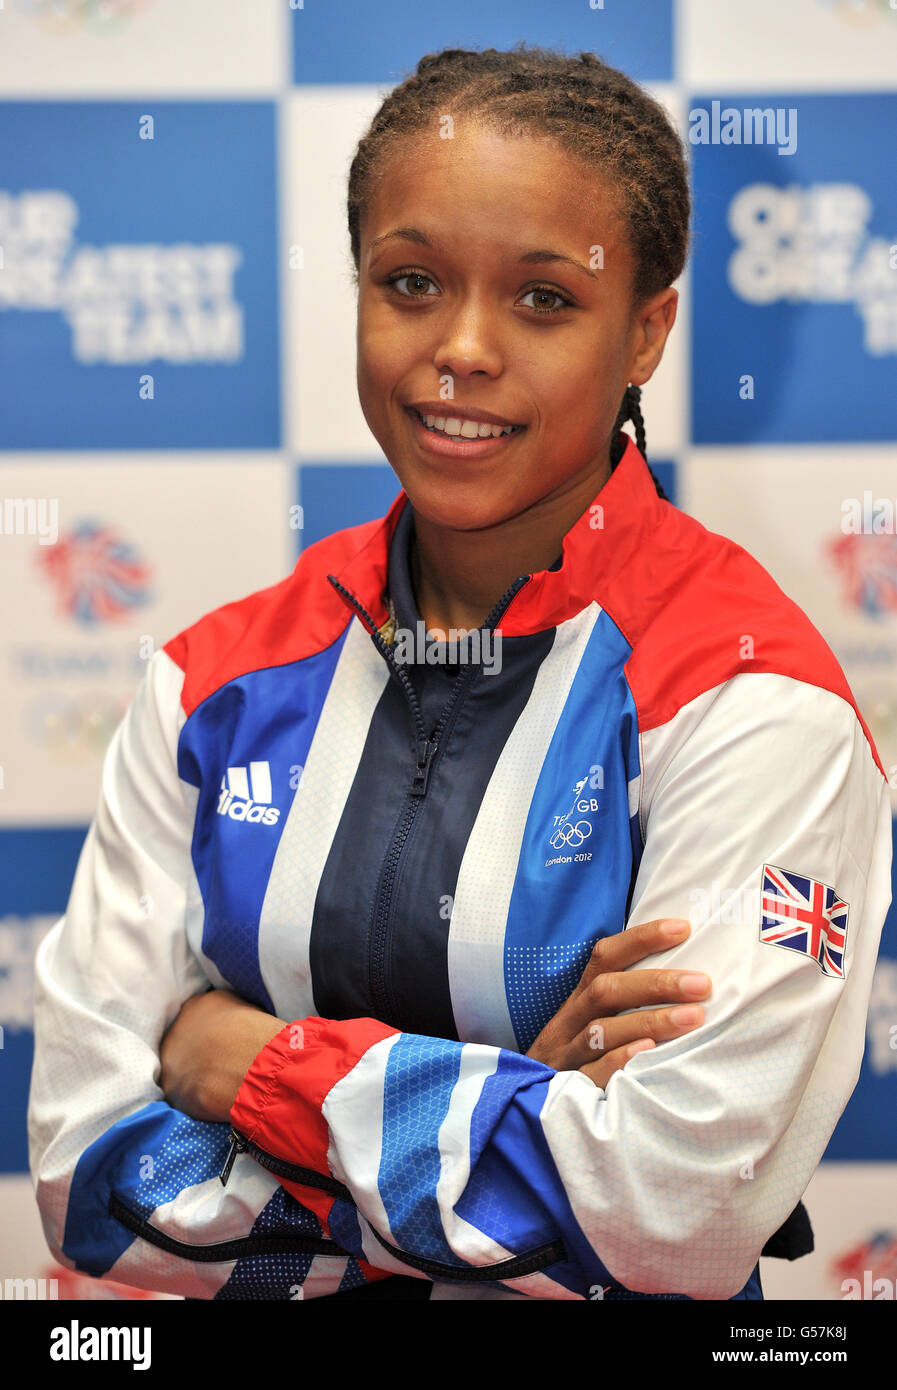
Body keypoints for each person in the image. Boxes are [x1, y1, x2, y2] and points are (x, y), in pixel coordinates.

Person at [28, 44, 891, 1303]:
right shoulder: (212, 680)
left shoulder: (750, 700)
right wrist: (515, 1108)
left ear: (647, 328)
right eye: (413, 281)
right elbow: (85, 1177)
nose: (463, 349)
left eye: (545, 298)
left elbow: (671, 1216)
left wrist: (252, 1067)